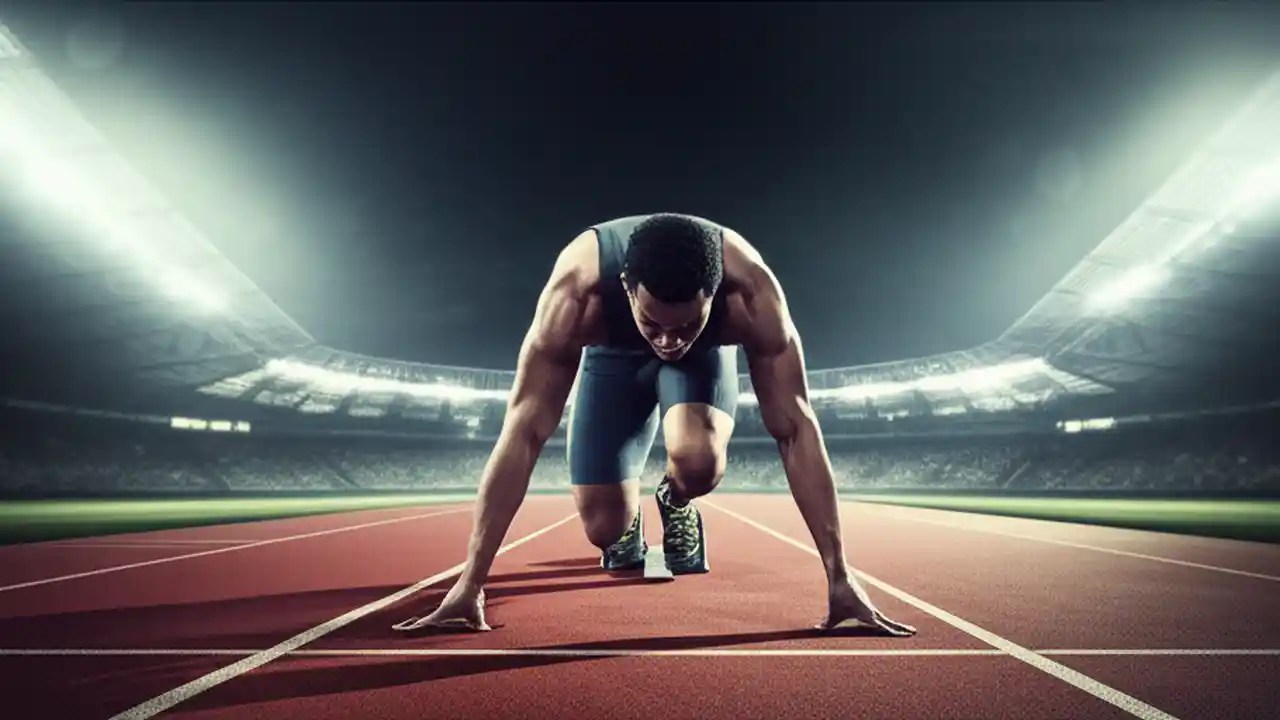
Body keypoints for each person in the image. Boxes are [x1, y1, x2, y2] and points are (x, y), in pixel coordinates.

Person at [393, 213, 915, 636]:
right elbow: (523, 433)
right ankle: (629, 525)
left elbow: (796, 427)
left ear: (716, 294)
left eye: (687, 322)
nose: (668, 340)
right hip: (612, 359)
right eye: (653, 322)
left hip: (702, 365)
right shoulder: (577, 297)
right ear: (625, 287)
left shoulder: (751, 296)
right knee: (604, 530)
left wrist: (840, 576)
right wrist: (470, 582)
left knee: (698, 463)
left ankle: (677, 499)